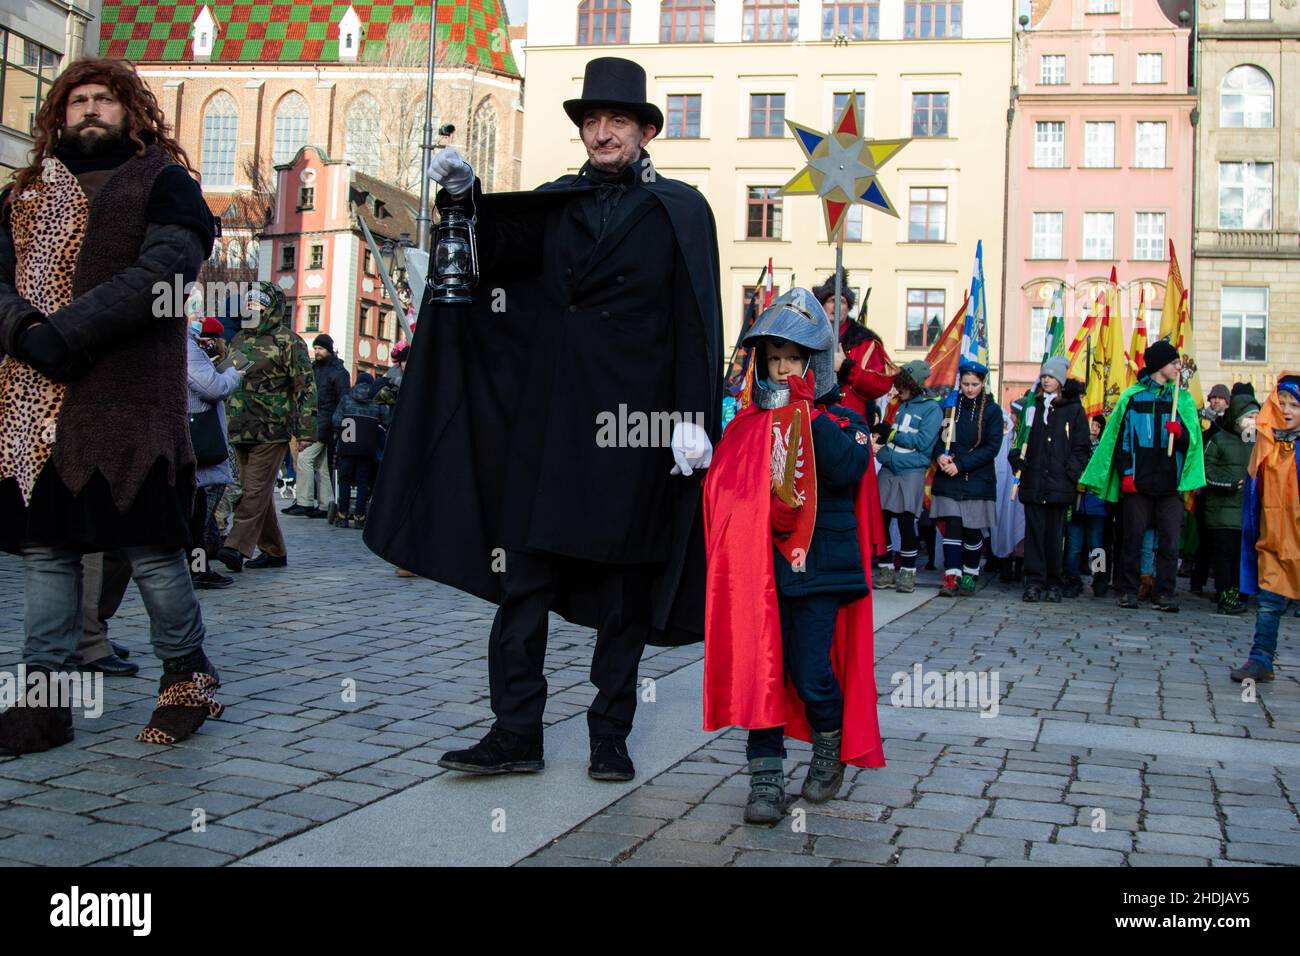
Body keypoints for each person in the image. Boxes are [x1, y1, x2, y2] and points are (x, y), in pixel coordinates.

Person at [368, 56, 723, 781]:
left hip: (635, 431)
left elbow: (696, 319)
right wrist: (463, 201)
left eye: (616, 121)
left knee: (624, 590)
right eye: (591, 121)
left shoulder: (681, 211)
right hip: (550, 426)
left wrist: (694, 416)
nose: (601, 132)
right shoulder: (556, 204)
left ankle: (609, 734)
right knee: (523, 583)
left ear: (646, 130)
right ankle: (515, 731)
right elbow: (489, 258)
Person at [0, 58, 224, 754]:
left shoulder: (165, 182)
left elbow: (164, 271)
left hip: (128, 400)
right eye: (77, 100)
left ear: (131, 111)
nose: (89, 109)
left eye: (104, 99)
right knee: (47, 554)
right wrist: (24, 332)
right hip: (33, 406)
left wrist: (62, 331)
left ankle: (189, 679)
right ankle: (44, 705)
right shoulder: (25, 191)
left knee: (152, 551)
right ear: (59, 113)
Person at [701, 289, 883, 824]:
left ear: (814, 364)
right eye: (775, 358)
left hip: (818, 569)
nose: (783, 369)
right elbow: (725, 497)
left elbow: (849, 470)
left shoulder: (843, 420)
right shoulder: (744, 427)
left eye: (794, 358)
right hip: (760, 573)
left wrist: (809, 414)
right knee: (763, 673)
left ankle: (829, 746)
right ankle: (765, 782)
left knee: (810, 674)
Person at [1081, 340, 1205, 612]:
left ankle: (1165, 593)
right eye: (1174, 363)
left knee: (1170, 543)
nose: (1177, 367)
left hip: (1170, 485)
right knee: (1132, 540)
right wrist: (1126, 472)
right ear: (1160, 365)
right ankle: (1128, 590)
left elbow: (1193, 444)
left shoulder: (1181, 400)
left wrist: (1180, 434)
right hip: (1138, 483)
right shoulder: (1133, 397)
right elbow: (1120, 439)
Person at [217, 281, 317, 572]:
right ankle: (274, 550)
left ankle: (235, 547)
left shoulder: (289, 341)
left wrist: (307, 431)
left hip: (272, 429)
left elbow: (306, 387)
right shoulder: (239, 341)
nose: (252, 308)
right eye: (249, 303)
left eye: (258, 303)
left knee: (253, 491)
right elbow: (226, 379)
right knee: (254, 492)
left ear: (271, 307)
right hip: (239, 427)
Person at [1233, 373, 1300, 683]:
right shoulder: (1267, 445)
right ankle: (1261, 658)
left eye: (1295, 405)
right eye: (1282, 403)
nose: (1286, 411)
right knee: (1269, 603)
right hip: (1273, 538)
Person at [1008, 357, 1090, 603]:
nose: (1046, 380)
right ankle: (1034, 581)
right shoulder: (1033, 407)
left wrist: (1070, 472)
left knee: (1055, 537)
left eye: (1051, 377)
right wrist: (1016, 458)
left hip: (1059, 484)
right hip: (1033, 481)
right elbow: (1019, 438)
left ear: (1061, 381)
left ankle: (1054, 581)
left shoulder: (1073, 410)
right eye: (1044, 376)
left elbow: (1081, 447)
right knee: (1034, 535)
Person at [931, 363, 1004, 597]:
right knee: (952, 526)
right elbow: (939, 437)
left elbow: (992, 447)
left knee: (972, 530)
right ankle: (952, 576)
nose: (970, 389)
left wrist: (960, 465)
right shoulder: (950, 407)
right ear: (959, 383)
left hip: (977, 479)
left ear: (983, 383)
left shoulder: (992, 411)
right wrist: (940, 456)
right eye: (965, 384)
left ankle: (971, 573)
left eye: (974, 384)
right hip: (949, 479)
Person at [870, 360, 941, 594]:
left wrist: (891, 434)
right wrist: (884, 447)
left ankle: (908, 572)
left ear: (916, 385)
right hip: (889, 468)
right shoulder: (897, 404)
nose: (899, 390)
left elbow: (922, 443)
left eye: (903, 385)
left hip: (910, 471)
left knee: (905, 521)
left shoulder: (931, 408)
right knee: (881, 520)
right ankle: (886, 567)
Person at [187, 315, 243, 588]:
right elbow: (214, 388)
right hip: (199, 440)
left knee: (199, 511)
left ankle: (199, 564)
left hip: (195, 438)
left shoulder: (184, 347)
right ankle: (196, 569)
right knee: (198, 512)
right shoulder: (187, 348)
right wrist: (235, 373)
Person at [1204, 392, 1260, 615]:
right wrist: (1228, 484)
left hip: (1246, 513)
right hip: (1222, 513)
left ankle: (1237, 593)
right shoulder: (1219, 439)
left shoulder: (1257, 442)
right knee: (1224, 557)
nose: (1253, 422)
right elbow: (1207, 471)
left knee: (1241, 557)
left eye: (1256, 417)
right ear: (1237, 418)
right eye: (1249, 417)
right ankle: (1225, 595)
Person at [283, 333, 349, 519]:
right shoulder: (315, 369)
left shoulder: (339, 372)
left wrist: (337, 425)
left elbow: (343, 400)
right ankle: (325, 504)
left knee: (305, 458)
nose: (317, 351)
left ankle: (304, 502)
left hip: (324, 422)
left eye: (320, 348)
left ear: (328, 350)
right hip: (314, 421)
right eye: (316, 348)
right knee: (321, 465)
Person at [332, 371, 390, 530]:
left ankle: (342, 515)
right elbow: (386, 420)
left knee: (344, 480)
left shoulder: (346, 399)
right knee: (363, 482)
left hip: (347, 445)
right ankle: (359, 517)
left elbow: (336, 420)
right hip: (367, 447)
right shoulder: (376, 402)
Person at [1063, 415, 1111, 597]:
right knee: (1074, 546)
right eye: (1092, 425)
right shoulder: (1077, 448)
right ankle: (1072, 578)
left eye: (1098, 426)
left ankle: (1099, 578)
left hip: (1096, 503)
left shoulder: (1103, 450)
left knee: (1097, 546)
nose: (1093, 429)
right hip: (1077, 503)